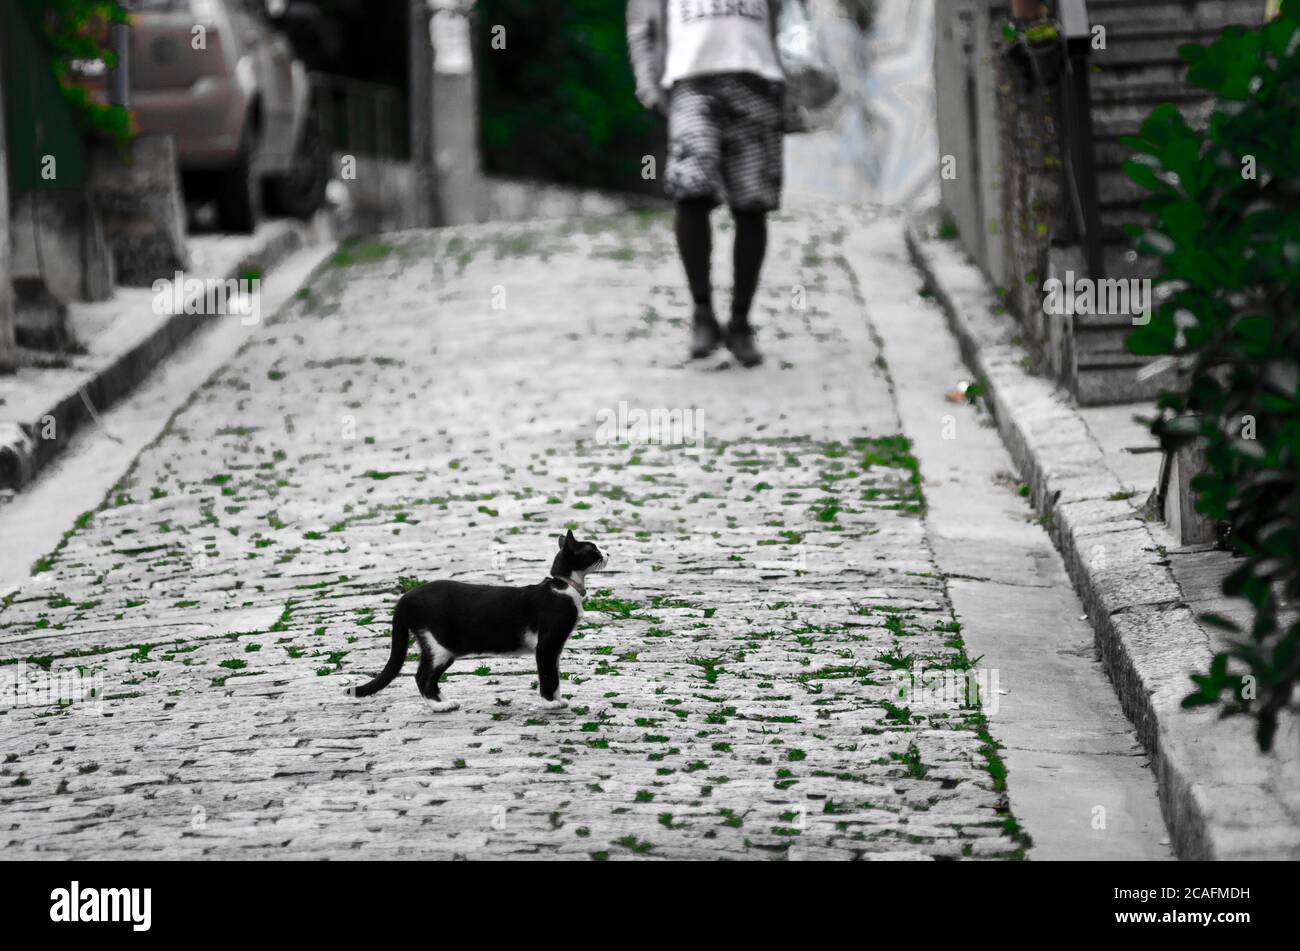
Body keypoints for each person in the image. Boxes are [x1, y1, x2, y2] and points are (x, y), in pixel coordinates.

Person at [627, 0, 786, 368]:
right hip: (691, 84)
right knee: (690, 192)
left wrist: (794, 77)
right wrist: (647, 81)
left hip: (757, 79)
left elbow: (791, 15)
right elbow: (641, 21)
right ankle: (702, 314)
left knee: (752, 204)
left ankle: (741, 321)